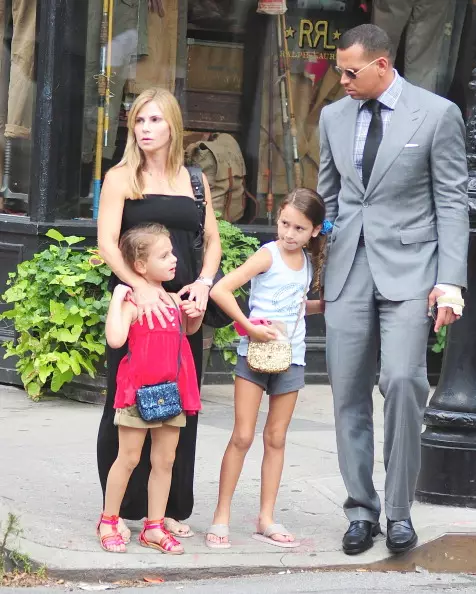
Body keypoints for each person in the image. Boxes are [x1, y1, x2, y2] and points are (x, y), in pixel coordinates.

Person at [317, 24, 469, 555]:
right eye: (339, 70)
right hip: (347, 271)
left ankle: (400, 511)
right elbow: (328, 201)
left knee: (403, 381)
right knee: (348, 395)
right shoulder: (333, 117)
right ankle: (361, 511)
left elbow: (452, 201)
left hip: (412, 269)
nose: (341, 81)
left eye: (350, 72)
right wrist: (305, 269)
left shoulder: (437, 114)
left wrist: (449, 282)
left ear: (383, 65)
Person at [97, 87, 221, 542]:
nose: (145, 129)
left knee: (178, 404)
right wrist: (140, 286)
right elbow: (108, 243)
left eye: (154, 121)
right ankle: (118, 509)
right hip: (139, 306)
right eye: (139, 122)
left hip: (184, 308)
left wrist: (205, 284)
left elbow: (211, 241)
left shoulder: (193, 179)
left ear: (172, 126)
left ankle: (164, 511)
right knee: (128, 401)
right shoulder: (121, 177)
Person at [205, 188, 327, 549]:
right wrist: (249, 325)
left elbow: (296, 307)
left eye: (299, 229)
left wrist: (327, 307)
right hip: (253, 355)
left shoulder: (307, 264)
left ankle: (266, 518)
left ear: (315, 231)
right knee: (242, 436)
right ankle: (221, 516)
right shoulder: (267, 255)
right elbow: (221, 290)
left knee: (276, 438)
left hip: (292, 356)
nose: (288, 234)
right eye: (284, 224)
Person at [98, 223, 202, 553]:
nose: (174, 259)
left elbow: (186, 331)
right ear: (141, 266)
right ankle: (109, 520)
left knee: (165, 460)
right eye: (165, 255)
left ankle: (154, 526)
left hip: (170, 393)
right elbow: (115, 338)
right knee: (128, 457)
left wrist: (194, 313)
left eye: (172, 252)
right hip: (136, 394)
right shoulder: (132, 301)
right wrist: (118, 295)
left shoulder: (172, 298)